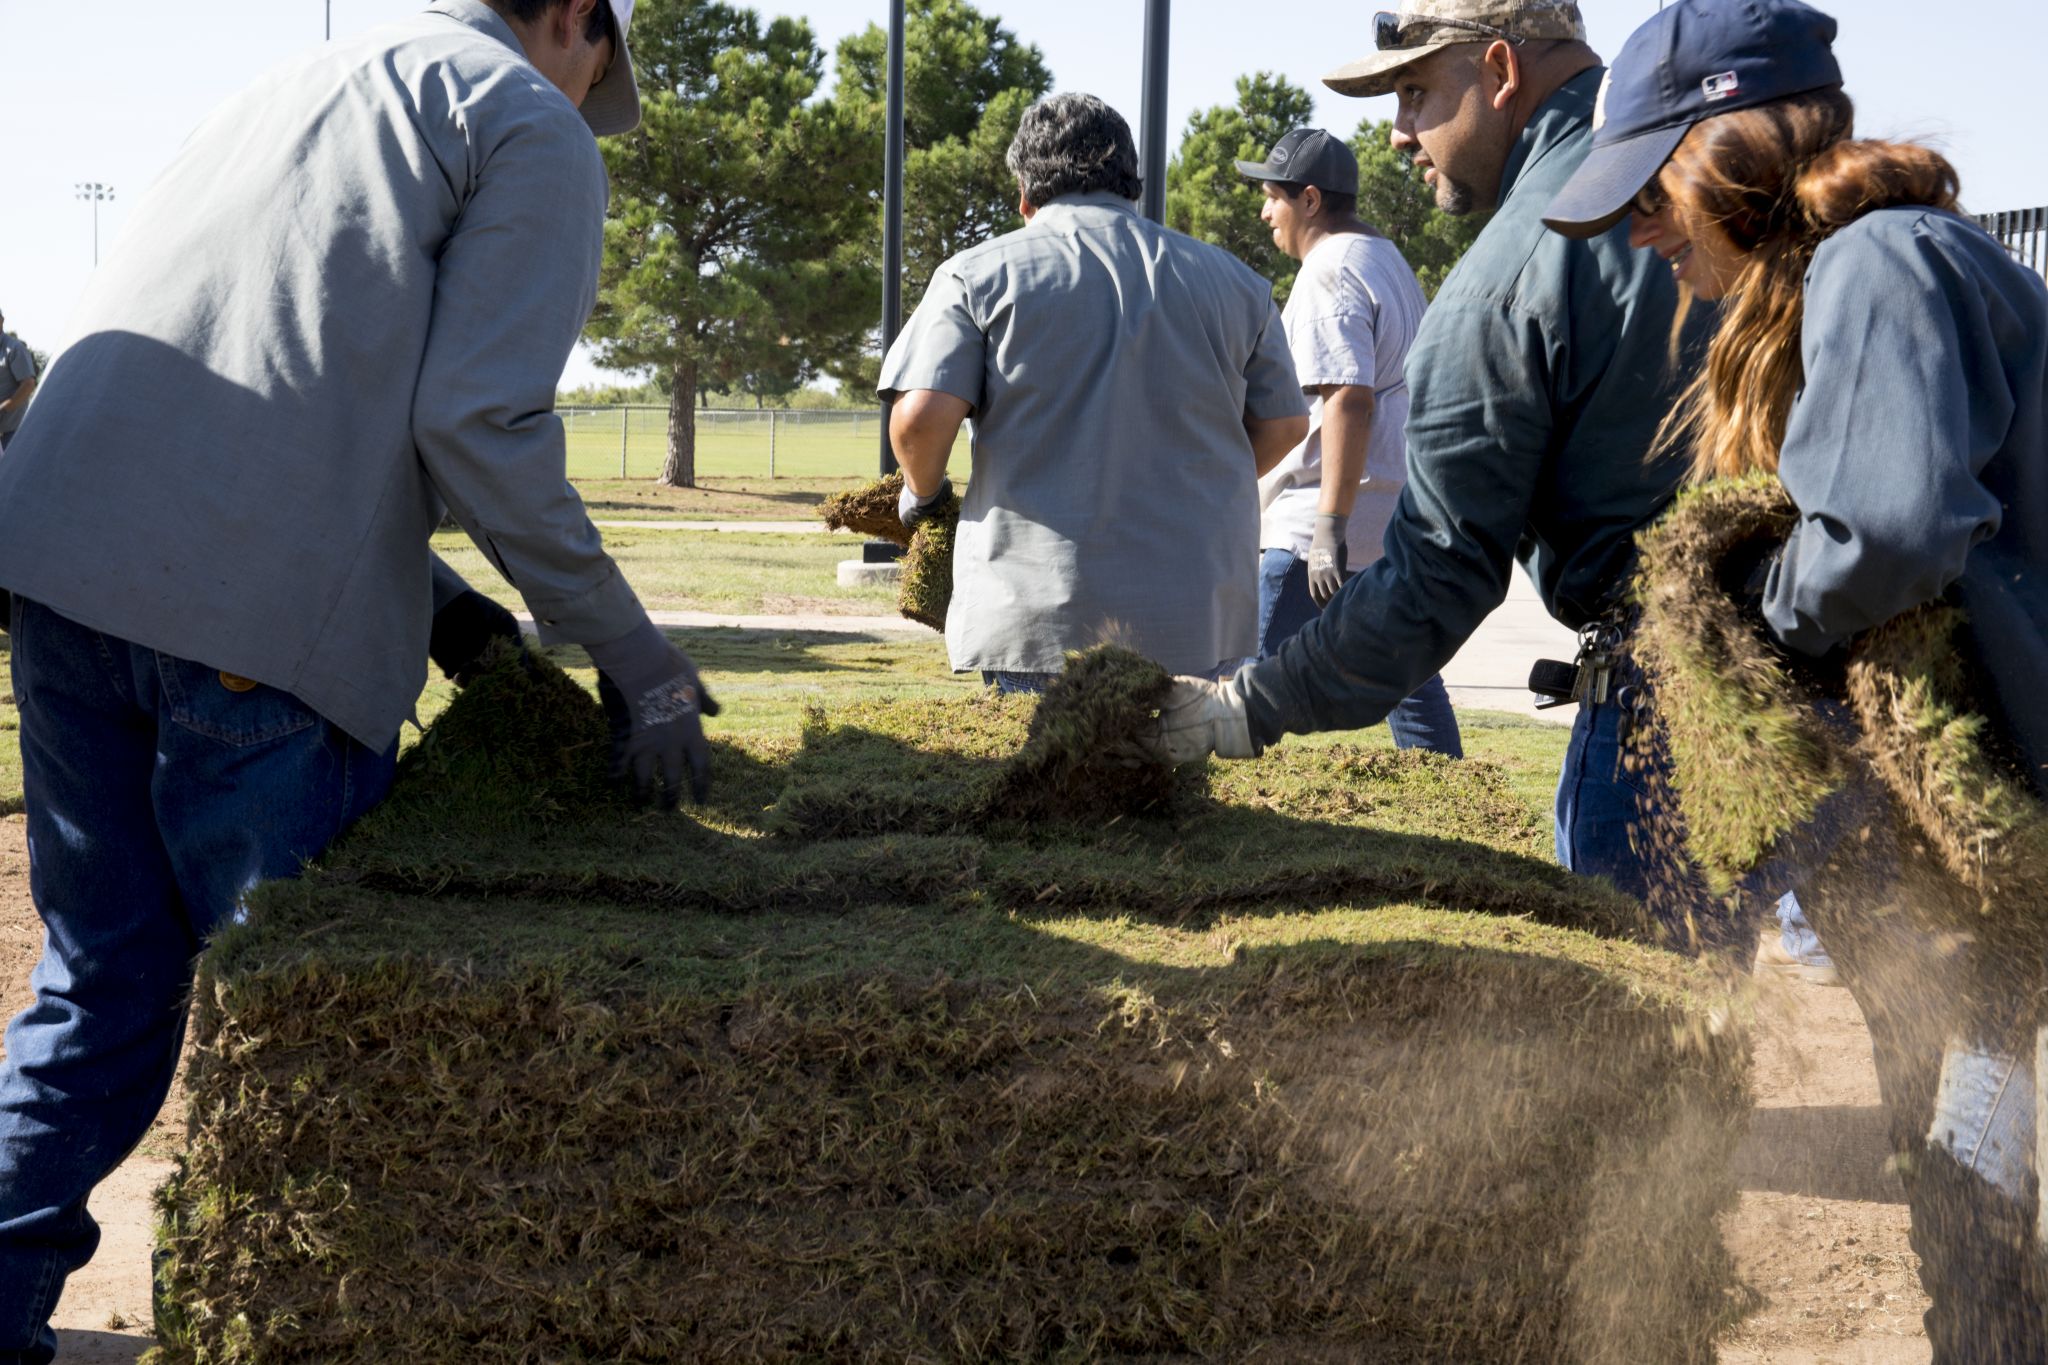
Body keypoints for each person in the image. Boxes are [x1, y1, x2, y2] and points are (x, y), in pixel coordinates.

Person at [0, 2, 719, 1354]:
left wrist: (447, 612)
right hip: (247, 633)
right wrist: (642, 664)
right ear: (569, 19)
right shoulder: (527, 123)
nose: (586, 103)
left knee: (99, 984)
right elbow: (479, 421)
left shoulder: (285, 88)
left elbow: (256, 393)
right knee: (318, 1025)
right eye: (596, 74)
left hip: (53, 563)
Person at [1541, 0, 2048, 1355]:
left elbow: (1884, 534)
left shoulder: (1878, 265)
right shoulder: (1885, 264)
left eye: (1648, 195)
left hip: (1995, 824)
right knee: (1968, 1160)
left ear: (1724, 148)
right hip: (1968, 839)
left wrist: (1753, 610)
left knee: (1970, 1167)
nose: (1642, 235)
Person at [1132, 0, 1723, 945]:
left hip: (1669, 703)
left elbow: (1439, 575)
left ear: (1499, 72)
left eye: (1414, 93)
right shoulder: (1720, 181)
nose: (1400, 133)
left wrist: (1249, 705)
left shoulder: (1517, 267)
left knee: (1651, 1025)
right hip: (1817, 660)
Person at [880, 92, 1309, 694]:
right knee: (1183, 788)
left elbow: (920, 420)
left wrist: (924, 499)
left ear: (1026, 197)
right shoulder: (1237, 285)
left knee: (1048, 785)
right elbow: (1286, 425)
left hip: (1039, 618)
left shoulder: (976, 275)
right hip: (1197, 616)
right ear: (1131, 187)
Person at [1234, 129, 1462, 758]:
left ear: (1309, 200)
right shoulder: (1381, 256)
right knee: (1410, 683)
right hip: (1387, 517)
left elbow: (1348, 399)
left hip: (1313, 531)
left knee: (1242, 681)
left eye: (1272, 197)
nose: (1264, 213)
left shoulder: (1328, 270)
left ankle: (1219, 817)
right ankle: (1452, 804)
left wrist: (1329, 528)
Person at [0, 311, 36, 454]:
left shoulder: (14, 349)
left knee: (11, 474)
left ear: (1, 320)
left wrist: (4, 408)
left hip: (12, 433)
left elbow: (28, 385)